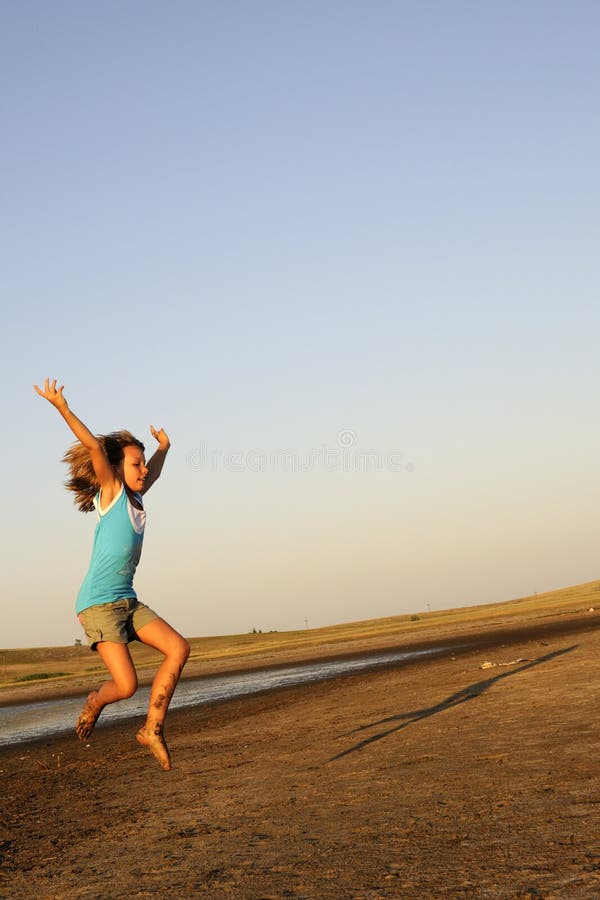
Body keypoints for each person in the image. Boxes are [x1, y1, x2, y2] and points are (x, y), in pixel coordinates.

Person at [34, 378, 190, 771]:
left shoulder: (136, 498)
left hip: (127, 600)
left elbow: (154, 474)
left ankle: (152, 728)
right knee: (125, 685)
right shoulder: (113, 491)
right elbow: (93, 447)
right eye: (136, 464)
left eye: (143, 464)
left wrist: (163, 448)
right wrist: (62, 407)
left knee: (178, 648)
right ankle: (94, 701)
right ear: (117, 468)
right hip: (99, 604)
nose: (143, 470)